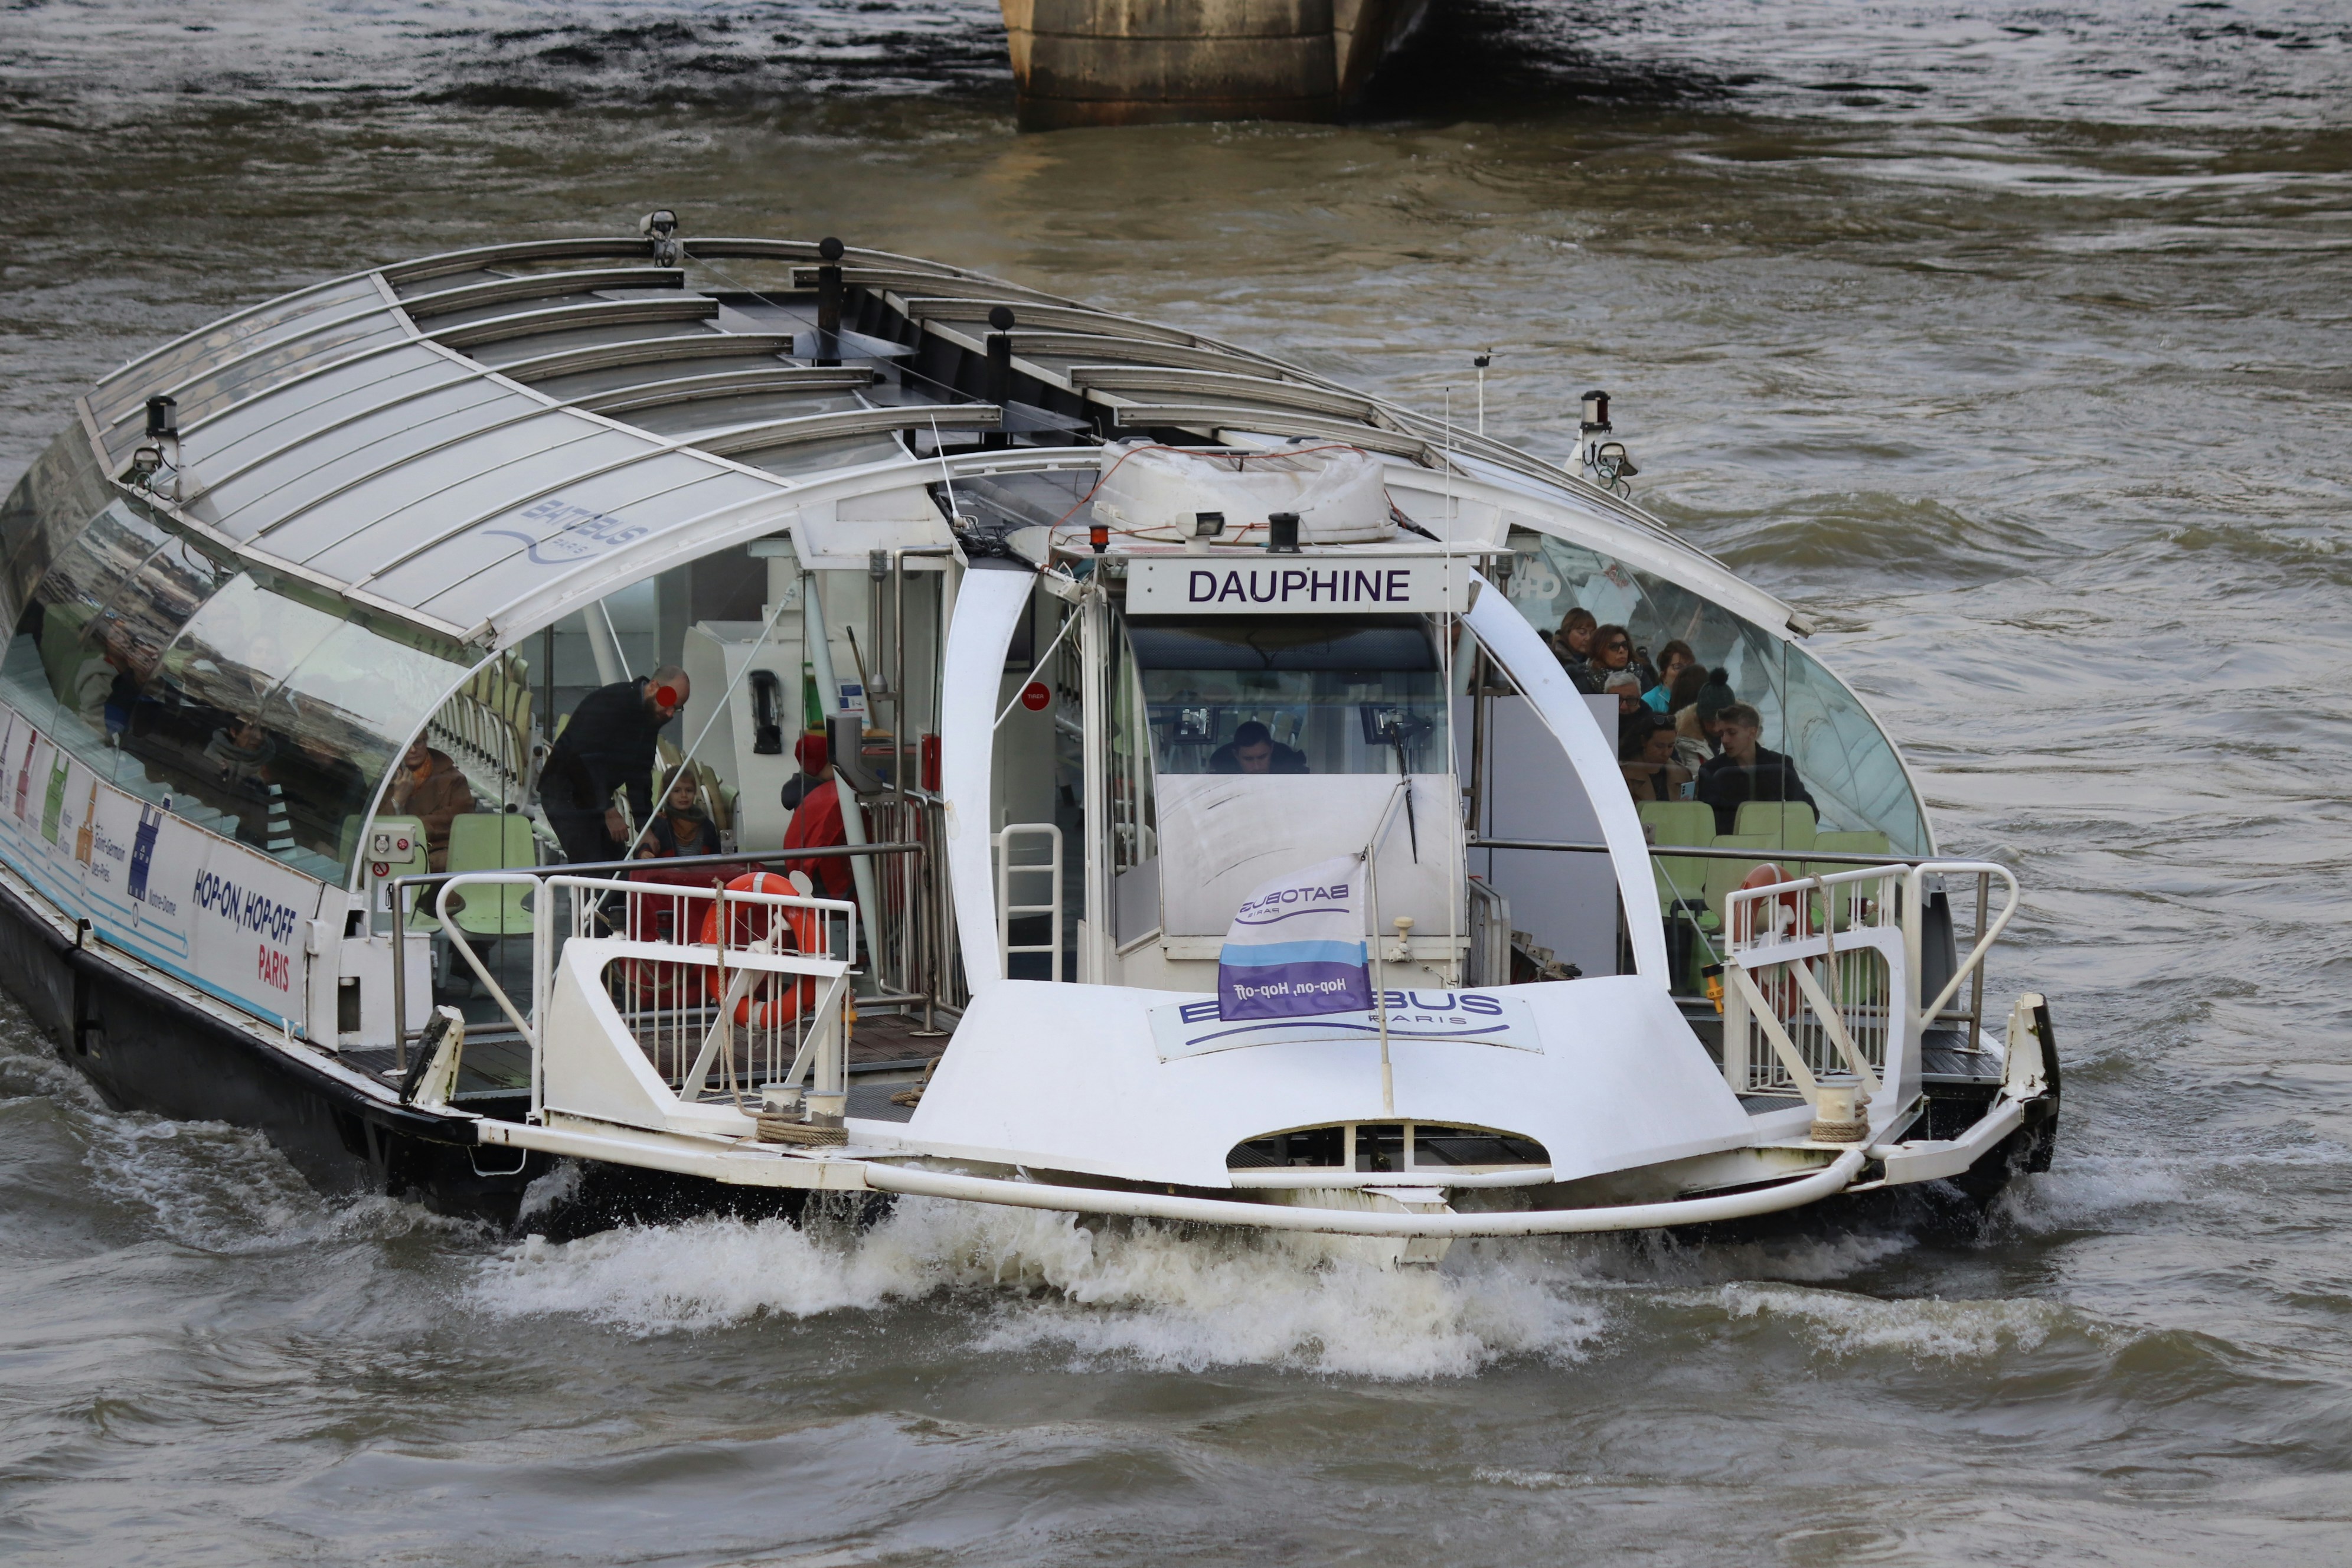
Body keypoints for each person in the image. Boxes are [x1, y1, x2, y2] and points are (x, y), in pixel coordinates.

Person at [540, 667, 690, 866]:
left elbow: (640, 775)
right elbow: (585, 761)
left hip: (596, 794)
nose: (670, 713)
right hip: (564, 790)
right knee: (593, 867)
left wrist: (644, 827)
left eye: (677, 708)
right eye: (669, 703)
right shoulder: (612, 702)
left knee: (616, 864)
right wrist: (608, 811)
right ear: (654, 687)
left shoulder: (651, 715)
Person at [1694, 702, 1815, 834]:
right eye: (1722, 734)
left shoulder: (1778, 766)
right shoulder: (1712, 771)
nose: (1725, 740)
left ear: (1752, 732)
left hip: (1771, 845)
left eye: (1732, 733)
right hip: (1730, 849)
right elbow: (1704, 823)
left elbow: (1810, 812)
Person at [383, 736, 475, 872]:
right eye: (406, 745)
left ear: (426, 742)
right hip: (391, 853)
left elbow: (460, 818)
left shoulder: (453, 779)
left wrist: (417, 828)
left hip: (440, 855)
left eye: (418, 743)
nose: (413, 750)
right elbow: (373, 822)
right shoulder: (383, 781)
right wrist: (398, 800)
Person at [638, 771, 717, 860]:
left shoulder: (706, 825)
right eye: (677, 791)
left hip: (701, 872)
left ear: (695, 792)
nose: (684, 795)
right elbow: (643, 847)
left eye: (689, 790)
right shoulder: (659, 823)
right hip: (668, 873)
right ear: (666, 794)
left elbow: (717, 855)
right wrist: (644, 853)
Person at [1619, 713, 1690, 803]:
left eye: (1670, 746)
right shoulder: (1624, 774)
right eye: (1659, 746)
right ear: (1644, 741)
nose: (1666, 753)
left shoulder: (1683, 774)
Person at [1209, 719, 1307, 775]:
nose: (1256, 766)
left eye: (1262, 757)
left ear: (1271, 749)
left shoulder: (1293, 776)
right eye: (1248, 759)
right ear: (1236, 755)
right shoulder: (1220, 780)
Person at [1551, 607, 1602, 694]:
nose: (1588, 638)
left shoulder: (1598, 661)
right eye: (1582, 632)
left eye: (1592, 633)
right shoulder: (1551, 658)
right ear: (1567, 632)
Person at [780, 731, 828, 812]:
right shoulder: (816, 798)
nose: (836, 768)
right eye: (831, 765)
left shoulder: (802, 789)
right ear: (817, 769)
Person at [1643, 640, 1695, 713]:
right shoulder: (1649, 701)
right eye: (1678, 667)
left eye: (1689, 667)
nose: (1685, 672)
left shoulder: (1697, 698)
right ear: (1663, 673)